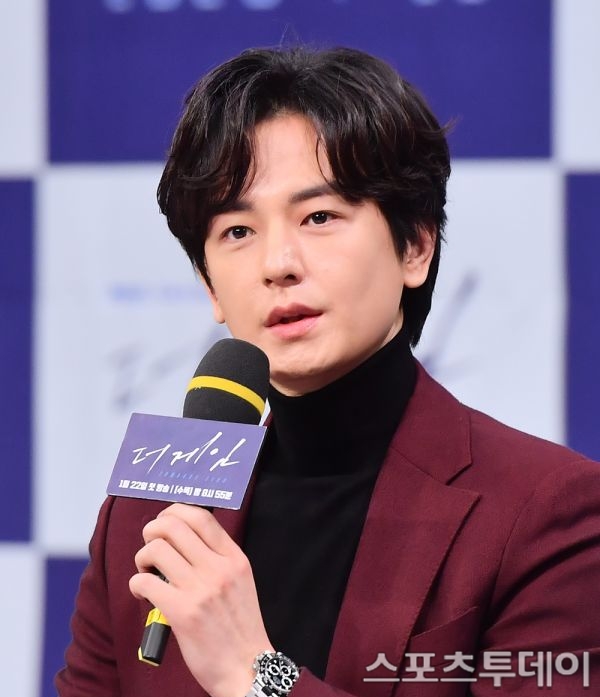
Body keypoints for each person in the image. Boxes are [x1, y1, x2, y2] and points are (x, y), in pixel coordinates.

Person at [56, 46, 600, 696]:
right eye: (237, 231)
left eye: (319, 217)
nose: (277, 264)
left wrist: (255, 676)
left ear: (415, 246)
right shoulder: (145, 517)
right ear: (210, 286)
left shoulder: (547, 510)